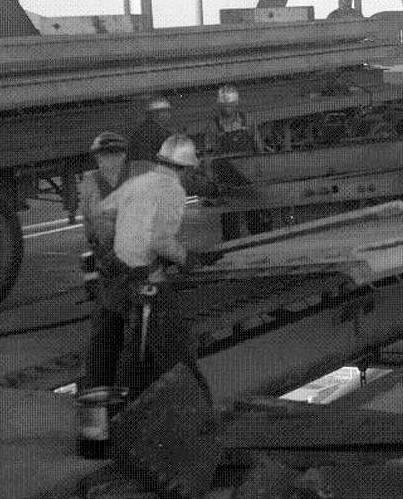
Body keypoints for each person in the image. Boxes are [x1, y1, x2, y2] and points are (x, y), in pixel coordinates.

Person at [96, 135, 221, 398]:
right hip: (144, 280)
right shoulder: (173, 190)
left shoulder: (138, 182)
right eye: (190, 172)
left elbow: (104, 211)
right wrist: (187, 259)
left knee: (130, 345)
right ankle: (194, 399)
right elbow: (161, 241)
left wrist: (123, 241)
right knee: (175, 342)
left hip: (120, 275)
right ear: (184, 169)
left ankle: (125, 393)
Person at [78, 132, 132, 395]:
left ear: (122, 157)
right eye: (102, 156)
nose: (107, 160)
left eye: (112, 155)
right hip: (109, 266)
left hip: (132, 266)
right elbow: (90, 226)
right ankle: (100, 386)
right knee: (105, 330)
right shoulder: (90, 183)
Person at [204, 84, 269, 238]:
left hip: (248, 175)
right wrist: (211, 178)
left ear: (236, 104)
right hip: (227, 178)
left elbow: (258, 145)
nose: (228, 108)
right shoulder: (214, 126)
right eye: (225, 105)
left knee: (255, 215)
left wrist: (261, 168)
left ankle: (260, 241)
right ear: (219, 106)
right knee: (230, 219)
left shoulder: (247, 120)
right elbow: (209, 154)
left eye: (231, 105)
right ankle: (232, 246)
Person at [128, 96, 175, 174]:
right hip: (153, 172)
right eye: (164, 111)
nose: (168, 114)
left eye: (167, 111)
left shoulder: (140, 130)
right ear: (154, 113)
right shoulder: (158, 132)